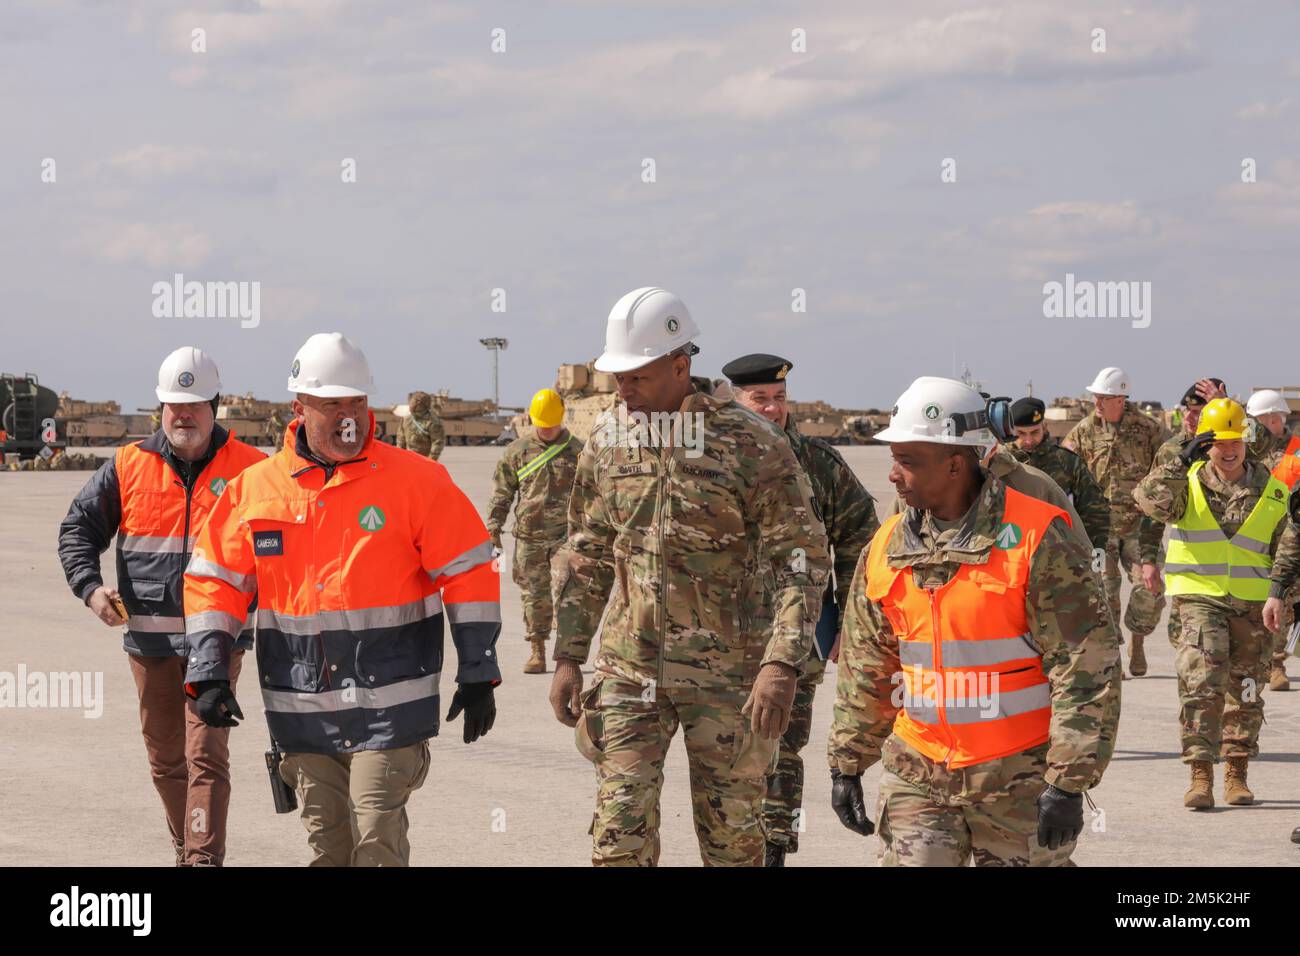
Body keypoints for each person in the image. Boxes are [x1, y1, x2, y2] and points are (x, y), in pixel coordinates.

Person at [182, 332, 501, 866]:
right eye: (332, 404)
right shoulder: (254, 490)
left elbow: (469, 569)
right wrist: (209, 669)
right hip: (302, 708)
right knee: (328, 849)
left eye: (356, 401)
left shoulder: (417, 482)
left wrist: (479, 666)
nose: (347, 416)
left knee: (376, 838)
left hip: (391, 706)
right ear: (299, 407)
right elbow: (215, 579)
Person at [548, 287, 831, 866]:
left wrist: (782, 663)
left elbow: (800, 560)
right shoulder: (607, 440)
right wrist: (569, 653)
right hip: (629, 672)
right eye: (617, 378)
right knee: (617, 838)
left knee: (733, 845)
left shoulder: (751, 443)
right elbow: (588, 552)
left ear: (681, 367)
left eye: (637, 377)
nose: (623, 391)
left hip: (729, 679)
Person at [829, 376, 1120, 866]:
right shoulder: (886, 549)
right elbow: (866, 666)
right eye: (893, 459)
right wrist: (847, 762)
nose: (894, 476)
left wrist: (1068, 781)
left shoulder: (1037, 537)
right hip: (917, 770)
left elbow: (1086, 666)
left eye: (908, 461)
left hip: (1018, 777)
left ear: (955, 464)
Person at [57, 347, 265, 866]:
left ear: (215, 405)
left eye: (193, 404)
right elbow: (77, 529)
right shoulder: (129, 465)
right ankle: (186, 842)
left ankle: (201, 860)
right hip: (148, 642)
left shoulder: (253, 471)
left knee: (205, 756)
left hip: (216, 643)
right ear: (160, 408)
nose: (183, 415)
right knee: (166, 760)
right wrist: (90, 588)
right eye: (174, 404)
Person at [721, 353, 879, 867]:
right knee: (724, 758)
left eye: (780, 398)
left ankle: (774, 853)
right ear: (736, 401)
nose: (773, 408)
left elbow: (860, 537)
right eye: (760, 398)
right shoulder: (712, 458)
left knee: (782, 751)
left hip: (796, 638)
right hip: (720, 639)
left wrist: (848, 620)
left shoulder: (818, 462)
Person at [1134, 399, 1289, 808]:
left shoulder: (1271, 488)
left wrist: (1285, 596)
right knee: (1202, 682)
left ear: (1246, 440)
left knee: (1248, 690)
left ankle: (1236, 772)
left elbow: (1287, 547)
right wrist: (1176, 463)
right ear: (1206, 444)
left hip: (1253, 605)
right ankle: (1199, 774)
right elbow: (1148, 504)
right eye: (1219, 442)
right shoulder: (1186, 483)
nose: (1228, 449)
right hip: (1199, 599)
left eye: (1235, 440)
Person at [1063, 367, 1167, 677]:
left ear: (1121, 399)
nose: (1096, 402)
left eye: (1103, 397)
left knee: (1150, 589)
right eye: (1095, 396)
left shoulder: (1149, 429)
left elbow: (1167, 469)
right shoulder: (1083, 431)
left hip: (1139, 527)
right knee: (1103, 593)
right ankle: (1115, 656)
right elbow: (1064, 469)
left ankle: (1138, 638)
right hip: (1099, 529)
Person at [485, 387, 583, 674]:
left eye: (552, 425)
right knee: (534, 595)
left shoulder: (579, 451)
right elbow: (501, 494)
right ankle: (537, 649)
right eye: (542, 426)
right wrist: (493, 527)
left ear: (561, 420)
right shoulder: (517, 451)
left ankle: (567, 654)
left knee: (568, 593)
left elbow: (595, 494)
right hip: (528, 537)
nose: (547, 431)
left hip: (567, 537)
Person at [1146, 379, 1228, 656]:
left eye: (1199, 410)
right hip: (1192, 570)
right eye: (1187, 411)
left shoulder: (1236, 446)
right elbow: (1152, 507)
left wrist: (1225, 408)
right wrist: (1148, 559)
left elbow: (1262, 444)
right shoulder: (1173, 451)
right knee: (1188, 648)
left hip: (1237, 572)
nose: (1190, 417)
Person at [1246, 388, 1300, 691]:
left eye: (1255, 421)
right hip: (1257, 538)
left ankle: (1277, 662)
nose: (1250, 428)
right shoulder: (1250, 453)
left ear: (1272, 419)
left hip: (1290, 539)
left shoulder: (1296, 450)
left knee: (1286, 602)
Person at [1006, 397, 1109, 550]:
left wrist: (1096, 551)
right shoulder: (1001, 462)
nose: (1028, 440)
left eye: (1034, 432)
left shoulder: (1066, 462)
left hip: (1055, 553)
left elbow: (1093, 509)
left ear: (1045, 427)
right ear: (1011, 431)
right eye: (1021, 433)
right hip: (1010, 547)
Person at [395, 390, 447, 460]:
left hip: (419, 459)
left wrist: (431, 460)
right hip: (413, 459)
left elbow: (437, 443)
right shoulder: (406, 420)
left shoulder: (432, 422)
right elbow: (401, 441)